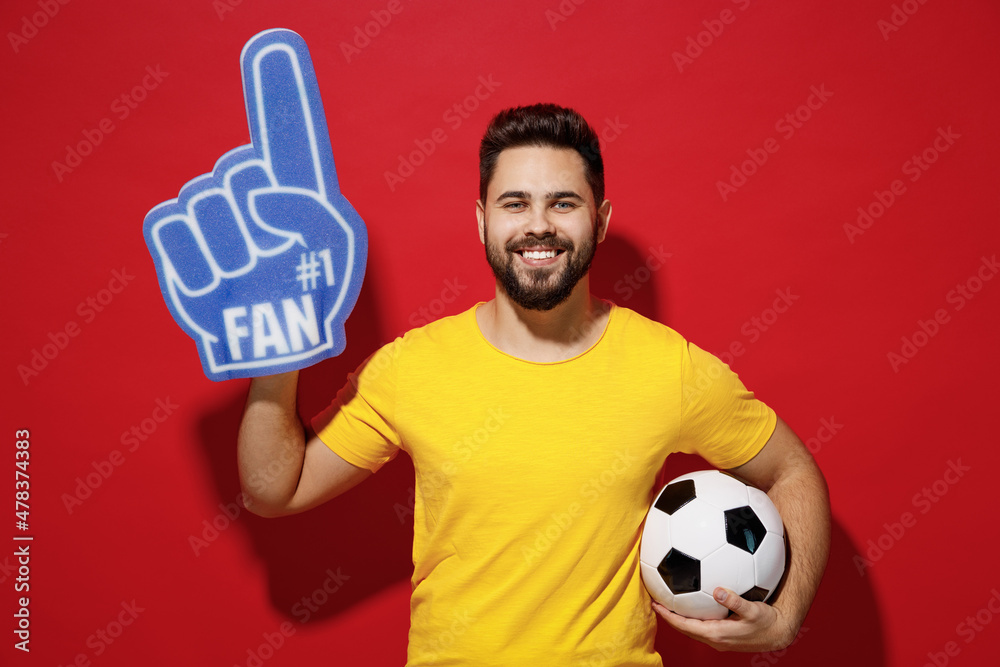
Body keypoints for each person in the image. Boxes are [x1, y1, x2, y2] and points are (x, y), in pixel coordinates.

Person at [237, 103, 831, 666]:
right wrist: (277, 350)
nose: (538, 226)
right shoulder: (409, 368)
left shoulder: (668, 368)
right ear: (482, 220)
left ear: (599, 220)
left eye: (563, 203)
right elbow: (274, 490)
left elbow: (793, 470)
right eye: (515, 203)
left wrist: (786, 615)